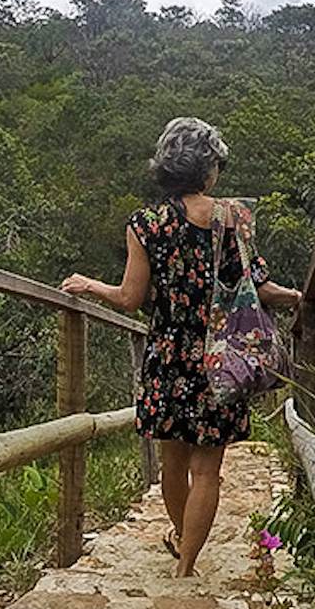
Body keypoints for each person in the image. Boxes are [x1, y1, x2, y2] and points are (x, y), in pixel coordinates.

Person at [61, 117, 302, 578]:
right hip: (220, 359)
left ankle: (180, 537)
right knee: (207, 470)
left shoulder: (145, 224)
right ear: (208, 169)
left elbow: (130, 299)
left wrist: (91, 285)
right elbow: (260, 286)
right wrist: (294, 297)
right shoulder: (233, 218)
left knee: (172, 464)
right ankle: (187, 562)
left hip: (168, 357)